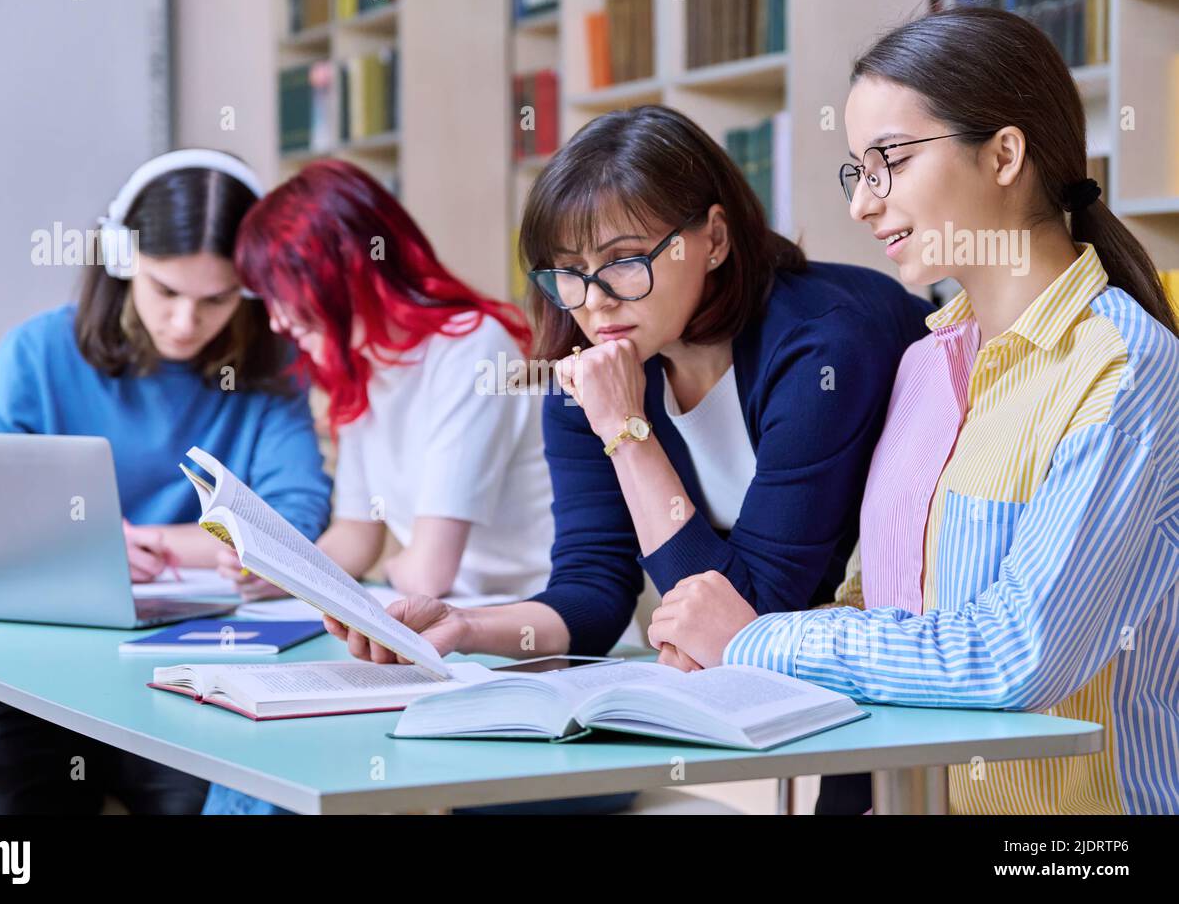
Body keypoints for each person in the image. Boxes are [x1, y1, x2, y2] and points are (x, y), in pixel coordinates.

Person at [322, 105, 932, 814]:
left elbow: (750, 617)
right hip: (821, 658)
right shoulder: (593, 374)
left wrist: (627, 432)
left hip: (908, 637)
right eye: (571, 274)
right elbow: (595, 587)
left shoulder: (820, 346)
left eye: (624, 262)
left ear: (713, 238)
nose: (596, 302)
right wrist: (465, 627)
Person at [649, 7, 1179, 815]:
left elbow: (1018, 656)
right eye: (856, 171)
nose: (864, 203)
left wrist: (755, 639)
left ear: (1005, 154)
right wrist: (739, 661)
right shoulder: (924, 366)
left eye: (888, 160)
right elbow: (879, 606)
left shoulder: (1123, 367)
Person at [0, 149, 332, 814]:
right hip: (27, 678)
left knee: (236, 802)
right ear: (122, 262)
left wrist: (125, 544)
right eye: (165, 291)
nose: (185, 323)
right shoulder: (36, 353)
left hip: (199, 678)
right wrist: (104, 548)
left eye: (216, 299)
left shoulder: (272, 367)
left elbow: (288, 523)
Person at [203, 158, 553, 814]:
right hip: (431, 643)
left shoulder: (475, 348)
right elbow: (359, 539)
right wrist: (276, 565)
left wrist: (351, 580)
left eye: (283, 293)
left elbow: (428, 573)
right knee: (249, 759)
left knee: (275, 766)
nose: (276, 321)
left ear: (348, 271)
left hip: (511, 643)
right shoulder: (364, 364)